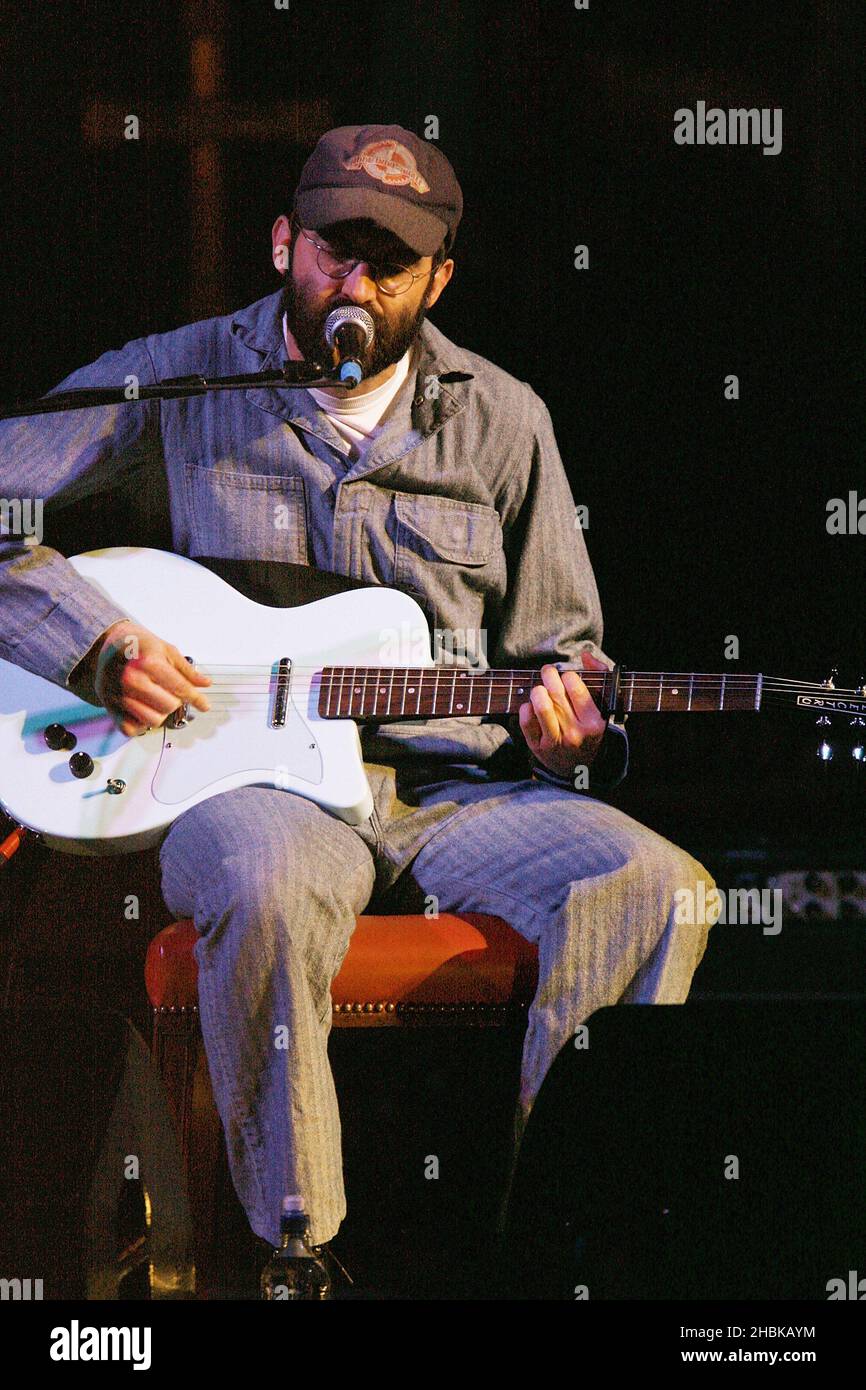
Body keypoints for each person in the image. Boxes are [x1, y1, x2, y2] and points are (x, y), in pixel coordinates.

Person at [0, 123, 715, 1283]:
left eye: (392, 264)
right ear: (285, 241)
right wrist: (94, 644)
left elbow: (560, 652)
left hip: (453, 790)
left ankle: (559, 1234)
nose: (357, 283)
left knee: (660, 890)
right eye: (336, 250)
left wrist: (569, 737)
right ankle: (299, 1253)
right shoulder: (182, 381)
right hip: (256, 787)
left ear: (437, 278)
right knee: (268, 878)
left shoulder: (503, 418)